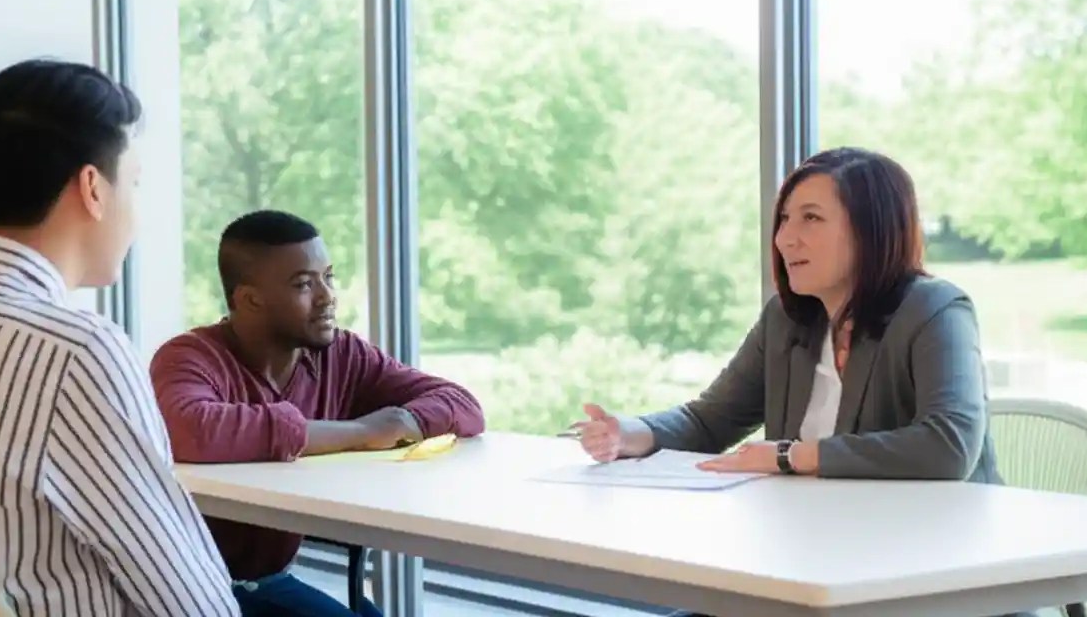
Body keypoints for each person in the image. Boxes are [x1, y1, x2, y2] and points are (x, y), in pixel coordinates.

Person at [0, 60, 240, 616]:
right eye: (133, 183)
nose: (135, 211)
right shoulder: (76, 354)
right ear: (92, 189)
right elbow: (193, 604)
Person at [573, 147, 1011, 616]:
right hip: (819, 563)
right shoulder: (786, 319)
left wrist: (788, 456)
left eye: (811, 219)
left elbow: (948, 446)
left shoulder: (935, 309)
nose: (786, 239)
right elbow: (710, 420)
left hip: (929, 578)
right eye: (784, 219)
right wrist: (631, 434)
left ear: (870, 231)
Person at [150, 209, 486, 617]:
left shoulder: (342, 355)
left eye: (328, 276)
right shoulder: (188, 357)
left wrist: (404, 423)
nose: (327, 296)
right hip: (187, 586)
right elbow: (192, 430)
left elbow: (462, 404)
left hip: (270, 579)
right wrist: (361, 432)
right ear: (249, 299)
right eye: (304, 284)